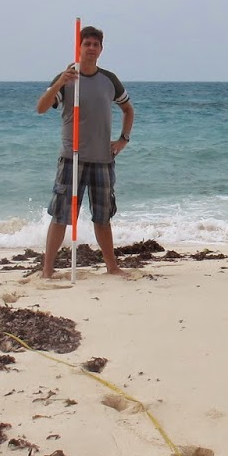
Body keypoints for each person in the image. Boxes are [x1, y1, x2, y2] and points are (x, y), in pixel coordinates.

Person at [35, 24, 135, 278]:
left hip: (103, 159)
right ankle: (47, 270)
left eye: (95, 45)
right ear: (79, 47)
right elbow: (41, 108)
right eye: (87, 44)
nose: (91, 48)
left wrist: (123, 139)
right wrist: (60, 82)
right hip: (72, 158)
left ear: (101, 49)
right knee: (61, 216)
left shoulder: (109, 80)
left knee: (103, 217)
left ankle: (112, 267)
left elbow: (128, 110)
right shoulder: (68, 78)